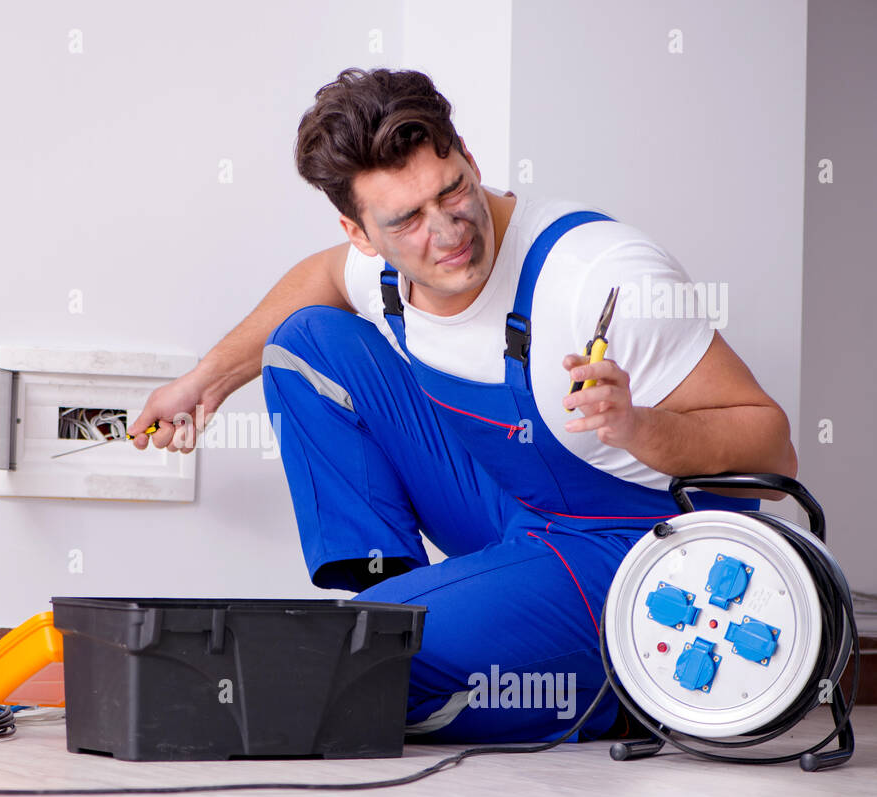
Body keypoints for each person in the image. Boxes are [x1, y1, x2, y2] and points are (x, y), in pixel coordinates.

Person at [130, 67, 797, 743]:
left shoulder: (600, 276)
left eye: (452, 191)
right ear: (361, 232)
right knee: (303, 344)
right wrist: (206, 382)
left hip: (630, 545)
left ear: (470, 160)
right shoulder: (382, 267)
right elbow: (320, 279)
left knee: (354, 670)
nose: (447, 231)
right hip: (519, 510)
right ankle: (400, 612)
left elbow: (772, 446)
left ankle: (614, 683)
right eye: (407, 219)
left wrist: (638, 426)